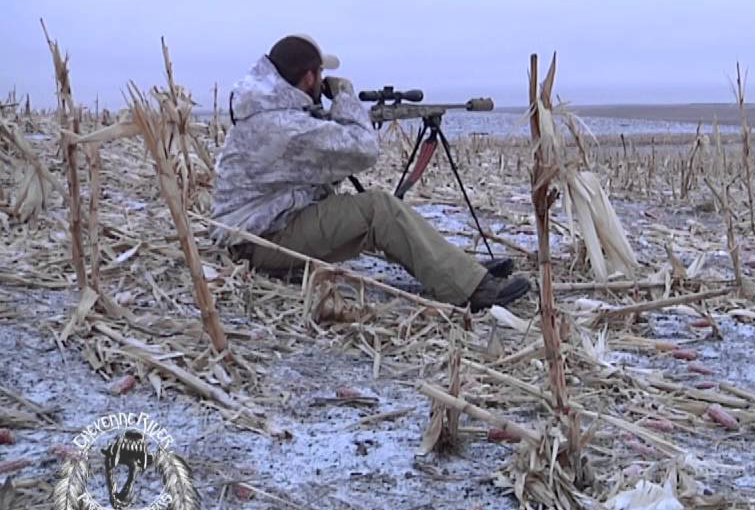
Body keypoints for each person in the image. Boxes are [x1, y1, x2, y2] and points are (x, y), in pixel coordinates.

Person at [210, 34, 531, 312]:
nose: (322, 82)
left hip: (258, 232)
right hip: (259, 241)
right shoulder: (285, 125)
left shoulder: (270, 113)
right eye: (320, 74)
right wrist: (345, 99)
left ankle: (459, 269)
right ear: (308, 78)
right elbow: (364, 149)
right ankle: (468, 289)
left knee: (375, 217)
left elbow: (317, 163)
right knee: (379, 209)